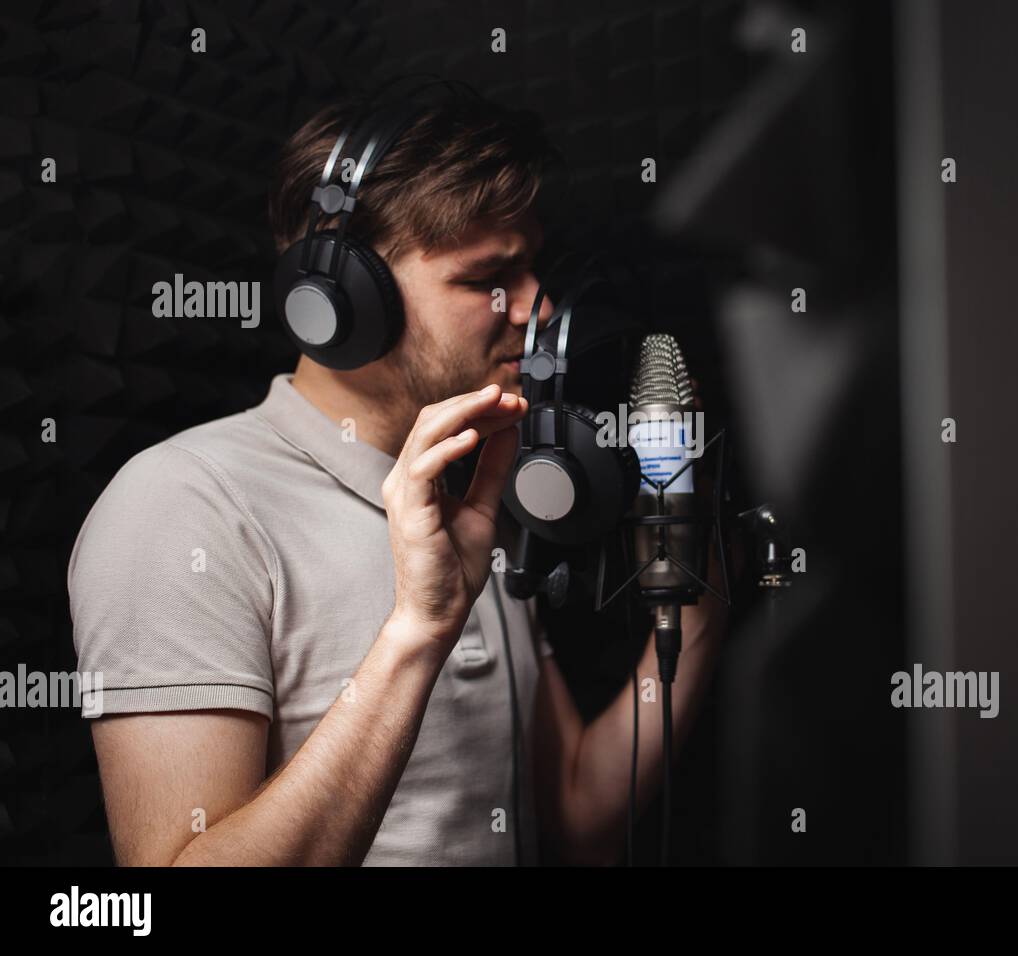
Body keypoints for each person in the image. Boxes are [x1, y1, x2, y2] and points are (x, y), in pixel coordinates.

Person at [67, 91, 727, 866]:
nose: (534, 307)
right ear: (342, 295)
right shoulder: (184, 507)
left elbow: (576, 811)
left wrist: (704, 580)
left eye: (531, 267)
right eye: (488, 276)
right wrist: (418, 630)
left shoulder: (479, 496)